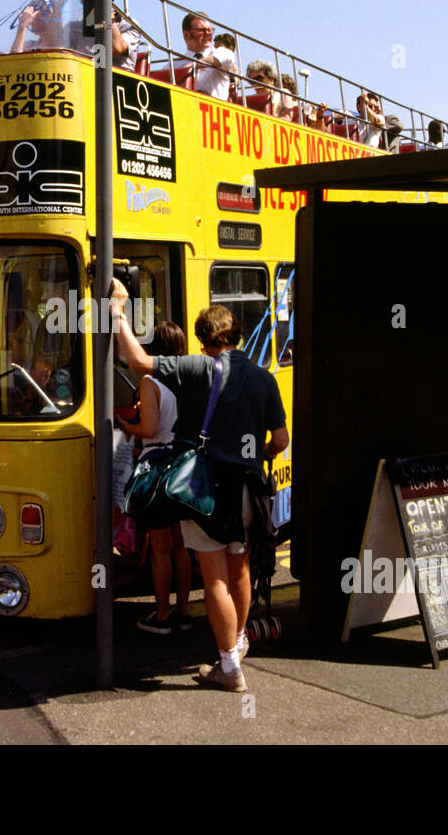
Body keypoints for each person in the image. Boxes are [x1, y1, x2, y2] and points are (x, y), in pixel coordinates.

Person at [110, 280, 289, 692]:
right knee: (239, 569)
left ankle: (229, 666)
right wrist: (255, 454)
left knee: (215, 580)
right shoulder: (263, 379)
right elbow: (280, 442)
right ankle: (238, 643)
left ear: (203, 340)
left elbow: (136, 361)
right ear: (238, 334)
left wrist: (118, 312)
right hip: (248, 486)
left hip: (206, 490)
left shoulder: (195, 367)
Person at [116, 321, 194, 635]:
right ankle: (184, 611)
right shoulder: (189, 380)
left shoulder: (151, 382)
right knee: (181, 546)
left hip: (158, 467)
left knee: (160, 547)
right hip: (183, 466)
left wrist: (125, 424)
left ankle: (162, 615)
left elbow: (148, 430)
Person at [182, 12, 231, 100]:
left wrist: (189, 68)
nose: (208, 34)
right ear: (187, 34)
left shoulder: (224, 53)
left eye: (210, 30)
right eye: (202, 30)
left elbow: (215, 60)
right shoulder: (174, 65)